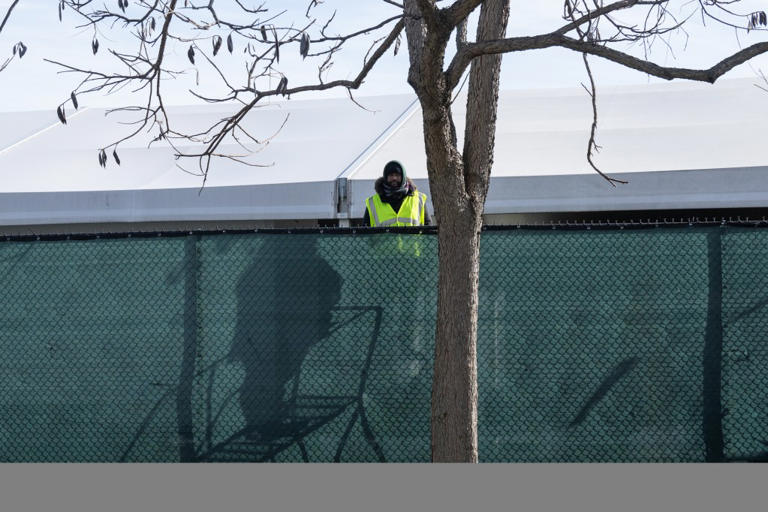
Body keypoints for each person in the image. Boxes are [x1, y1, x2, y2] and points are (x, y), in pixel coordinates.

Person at [363, 160, 432, 227]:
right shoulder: (373, 202)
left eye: (397, 175)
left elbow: (429, 227)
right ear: (385, 177)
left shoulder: (418, 199)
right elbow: (364, 233)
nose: (394, 178)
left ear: (403, 177)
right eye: (391, 175)